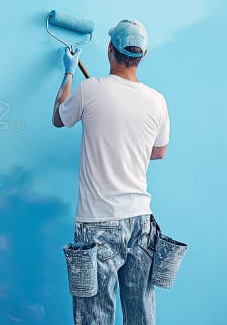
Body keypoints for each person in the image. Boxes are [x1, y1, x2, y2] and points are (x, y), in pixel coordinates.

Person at [51, 19, 169, 324]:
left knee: (94, 317)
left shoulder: (90, 90)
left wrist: (68, 72)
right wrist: (130, 148)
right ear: (142, 56)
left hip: (97, 224)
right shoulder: (157, 101)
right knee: (141, 315)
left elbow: (58, 117)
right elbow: (158, 151)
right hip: (140, 221)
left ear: (109, 50)